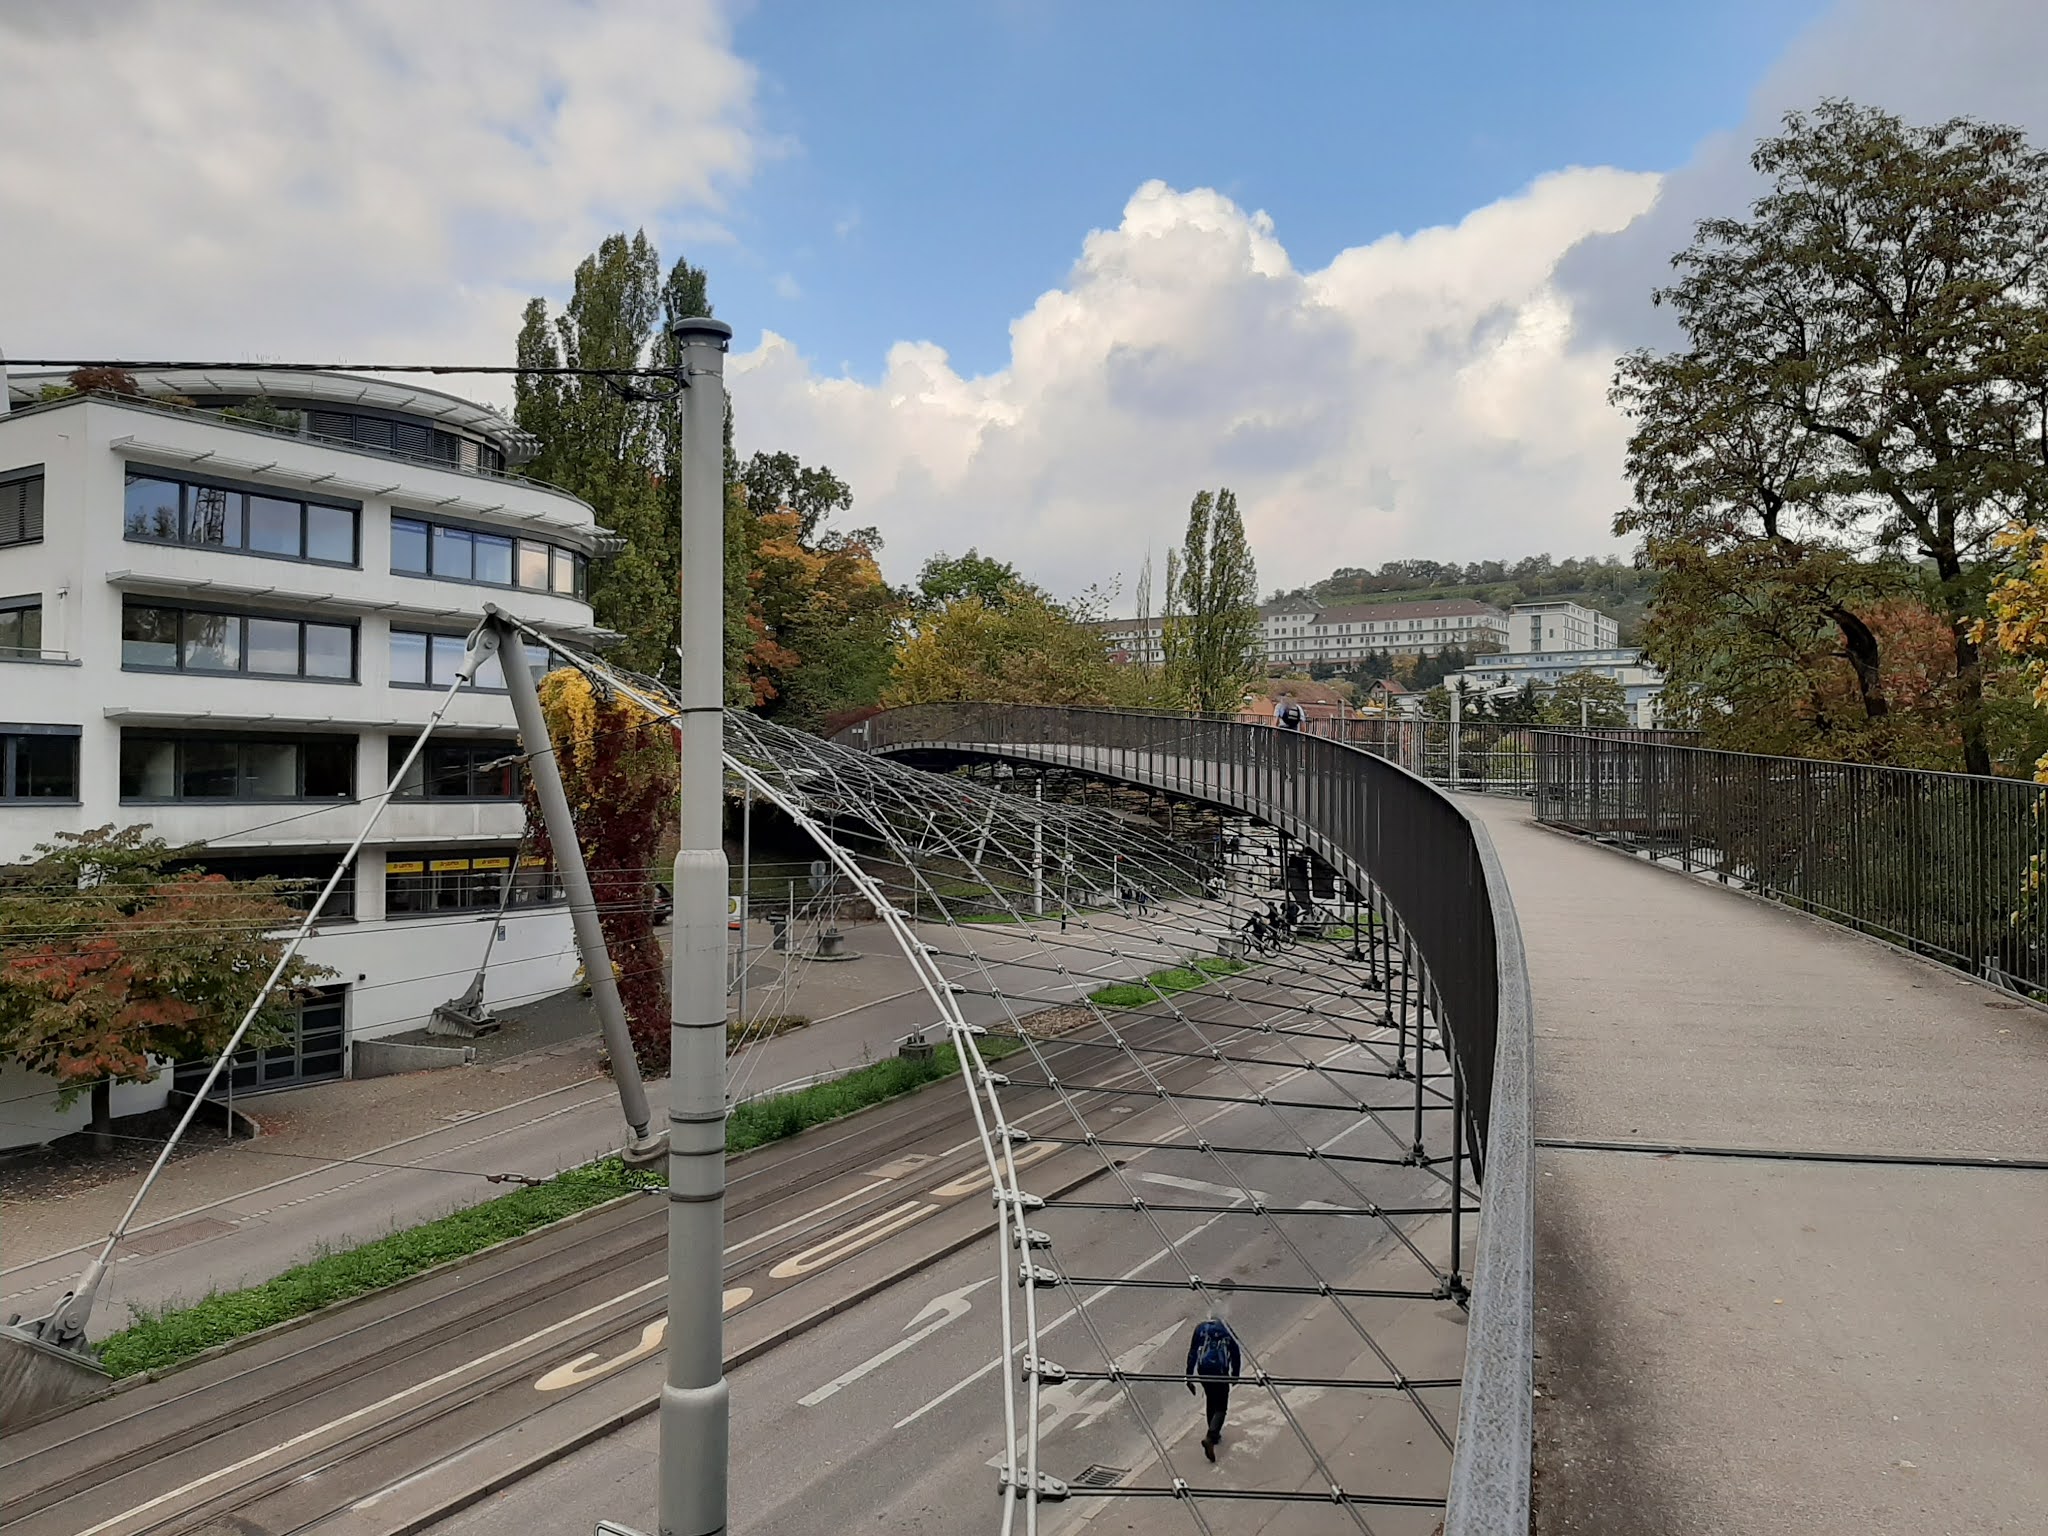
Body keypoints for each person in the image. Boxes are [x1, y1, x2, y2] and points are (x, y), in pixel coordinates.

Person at [1184, 1286, 1243, 1462]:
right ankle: (1211, 1436)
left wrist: (1189, 1376)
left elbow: (1193, 1352)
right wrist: (1235, 1374)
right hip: (1220, 1371)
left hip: (1203, 1371)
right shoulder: (1227, 1330)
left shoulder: (1200, 1328)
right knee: (1221, 1406)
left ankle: (1213, 1434)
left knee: (1210, 1399)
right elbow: (1235, 1352)